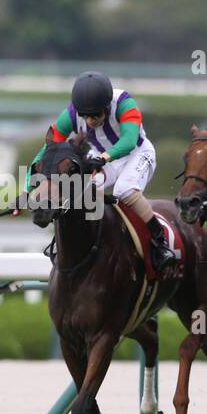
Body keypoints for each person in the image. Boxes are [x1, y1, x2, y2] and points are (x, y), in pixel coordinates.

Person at [23, 71, 176, 271]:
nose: (90, 121)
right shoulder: (70, 114)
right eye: (85, 116)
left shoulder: (124, 103)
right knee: (84, 192)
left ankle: (160, 242)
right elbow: (45, 152)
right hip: (105, 160)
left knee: (125, 190)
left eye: (95, 115)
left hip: (137, 154)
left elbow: (129, 141)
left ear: (106, 107)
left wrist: (102, 158)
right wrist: (28, 189)